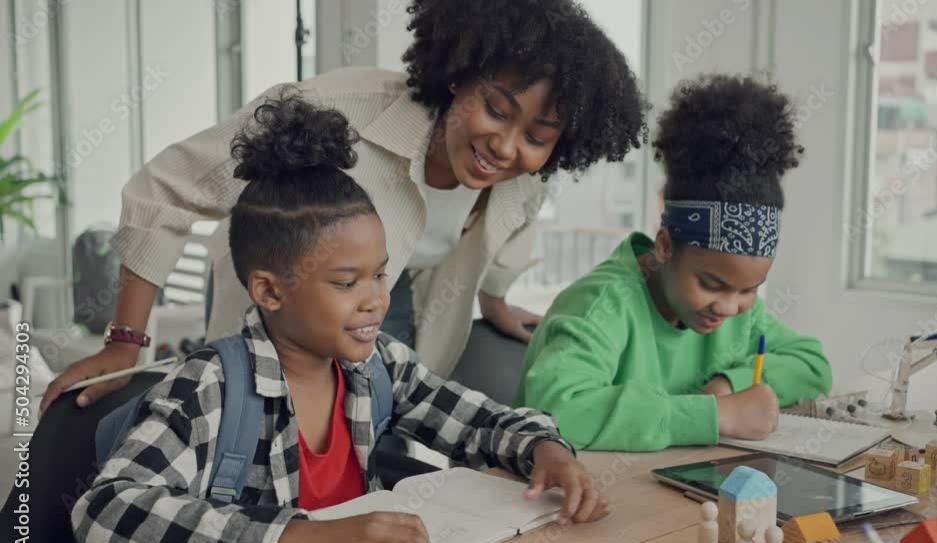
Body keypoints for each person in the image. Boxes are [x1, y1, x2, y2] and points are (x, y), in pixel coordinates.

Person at [40, 0, 646, 416]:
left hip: (394, 312)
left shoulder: (522, 180)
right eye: (496, 110)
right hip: (274, 312)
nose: (507, 147)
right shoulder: (336, 108)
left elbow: (493, 247)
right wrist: (125, 342)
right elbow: (164, 189)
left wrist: (493, 302)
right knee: (251, 445)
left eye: (538, 138)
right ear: (461, 76)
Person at [72, 94, 608, 543]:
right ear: (270, 291)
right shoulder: (211, 386)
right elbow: (105, 508)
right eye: (347, 283)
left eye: (379, 274)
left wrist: (545, 451)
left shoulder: (380, 367)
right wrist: (298, 542)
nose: (376, 299)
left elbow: (477, 423)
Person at [514, 74, 833, 451]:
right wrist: (714, 414)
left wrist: (730, 383)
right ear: (664, 245)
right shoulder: (602, 307)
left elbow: (814, 366)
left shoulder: (740, 314)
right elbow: (554, 412)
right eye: (711, 284)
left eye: (750, 289)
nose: (730, 306)